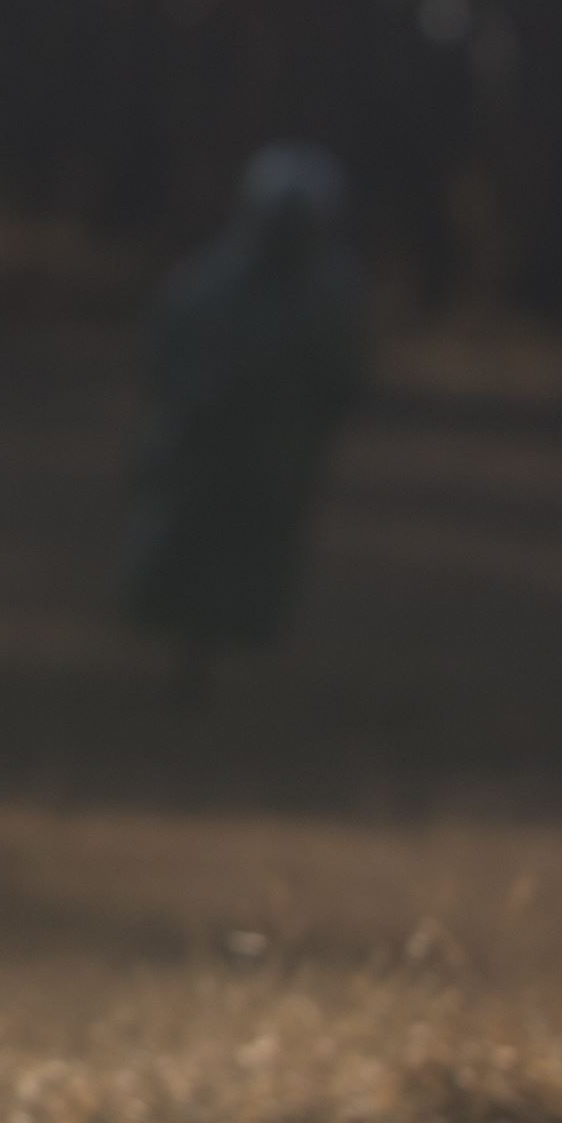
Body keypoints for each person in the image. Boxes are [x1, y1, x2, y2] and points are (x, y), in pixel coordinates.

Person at [116, 141, 368, 704]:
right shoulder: (212, 282)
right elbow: (167, 353)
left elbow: (342, 376)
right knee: (186, 547)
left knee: (258, 555)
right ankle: (187, 654)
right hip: (207, 443)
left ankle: (228, 646)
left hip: (274, 452)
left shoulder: (327, 293)